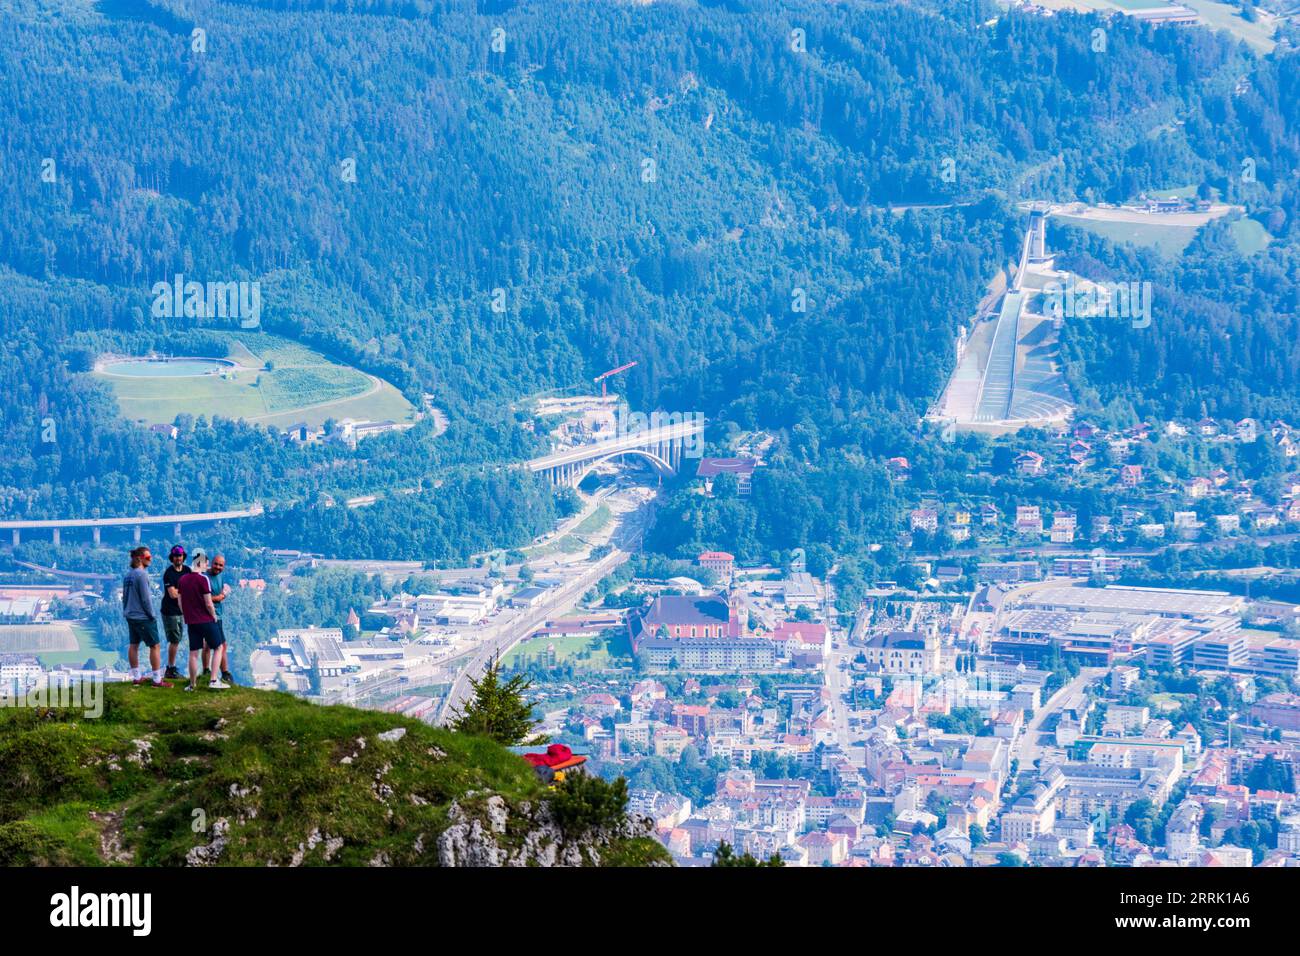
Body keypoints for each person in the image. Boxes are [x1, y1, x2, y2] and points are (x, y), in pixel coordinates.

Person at [177, 551, 227, 690]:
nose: (207, 566)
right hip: (205, 619)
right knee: (218, 647)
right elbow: (208, 603)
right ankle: (213, 680)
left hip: (191, 621)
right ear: (202, 564)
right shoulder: (203, 579)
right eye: (206, 563)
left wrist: (186, 615)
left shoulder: (183, 580)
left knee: (193, 653)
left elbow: (180, 602)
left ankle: (192, 685)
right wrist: (214, 616)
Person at [122, 546, 169, 687]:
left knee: (134, 645)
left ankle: (136, 677)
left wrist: (126, 611)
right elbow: (146, 599)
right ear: (140, 559)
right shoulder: (142, 575)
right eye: (148, 557)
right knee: (155, 645)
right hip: (142, 616)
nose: (151, 559)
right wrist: (152, 615)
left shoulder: (129, 575)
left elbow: (125, 597)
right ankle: (156, 679)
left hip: (130, 615)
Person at [160, 545, 190, 680]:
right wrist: (187, 592)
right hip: (170, 611)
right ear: (172, 558)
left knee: (177, 640)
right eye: (176, 556)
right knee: (174, 640)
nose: (178, 558)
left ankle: (171, 668)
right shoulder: (169, 574)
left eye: (180, 555)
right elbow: (172, 594)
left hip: (181, 611)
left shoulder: (188, 570)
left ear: (183, 556)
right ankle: (170, 668)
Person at [205, 553, 235, 685]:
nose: (218, 567)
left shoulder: (220, 576)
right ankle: (223, 673)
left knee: (212, 645)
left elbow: (222, 591)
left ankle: (210, 671)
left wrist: (224, 593)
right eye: (216, 564)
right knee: (220, 645)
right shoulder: (205, 577)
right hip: (209, 615)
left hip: (218, 614)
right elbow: (201, 597)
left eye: (221, 565)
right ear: (211, 563)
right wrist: (219, 597)